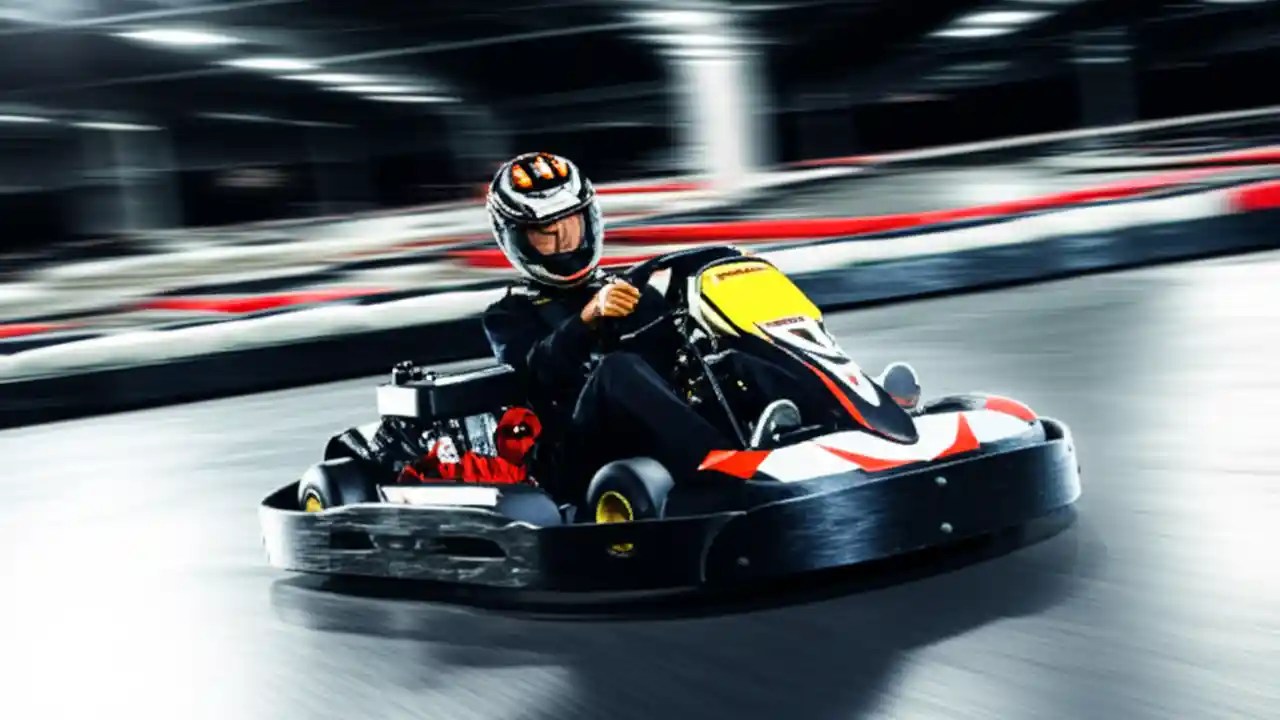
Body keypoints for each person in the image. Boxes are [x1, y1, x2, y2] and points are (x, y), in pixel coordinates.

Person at [479, 151, 812, 501]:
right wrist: (587, 319)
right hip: (574, 457)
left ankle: (832, 430)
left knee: (730, 358)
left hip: (648, 434)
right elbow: (536, 374)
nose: (565, 243)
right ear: (516, 239)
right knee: (617, 370)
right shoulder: (509, 313)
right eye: (547, 234)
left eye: (572, 227)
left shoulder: (628, 290)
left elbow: (672, 359)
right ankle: (736, 474)